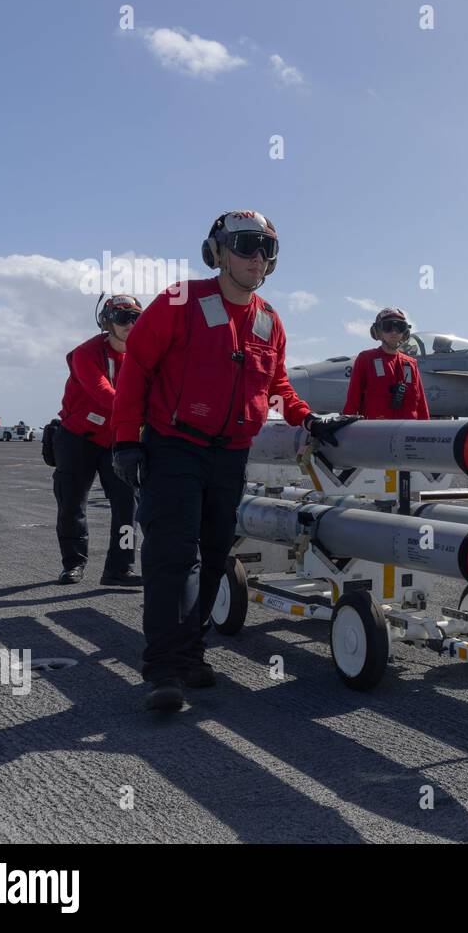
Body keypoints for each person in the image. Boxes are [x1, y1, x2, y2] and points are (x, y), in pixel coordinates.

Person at [111, 210, 355, 712]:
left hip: (230, 456)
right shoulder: (181, 300)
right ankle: (164, 669)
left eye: (267, 248)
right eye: (245, 245)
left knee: (217, 554)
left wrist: (307, 419)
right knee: (174, 557)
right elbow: (137, 366)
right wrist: (125, 440)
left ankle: (193, 653)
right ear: (217, 251)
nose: (257, 257)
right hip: (174, 446)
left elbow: (277, 385)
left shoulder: (269, 319)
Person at [52, 294, 143, 586]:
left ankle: (120, 569)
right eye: (122, 317)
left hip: (117, 439)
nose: (130, 324)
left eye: (135, 318)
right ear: (107, 321)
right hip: (78, 439)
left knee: (127, 506)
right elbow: (104, 393)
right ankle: (74, 564)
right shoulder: (85, 354)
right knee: (71, 504)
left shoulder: (143, 356)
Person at [341, 307, 429, 420]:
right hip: (377, 432)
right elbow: (352, 401)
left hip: (407, 433)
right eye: (388, 326)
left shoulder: (411, 364)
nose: (394, 332)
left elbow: (421, 405)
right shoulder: (366, 359)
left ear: (405, 332)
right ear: (378, 332)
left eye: (399, 327)